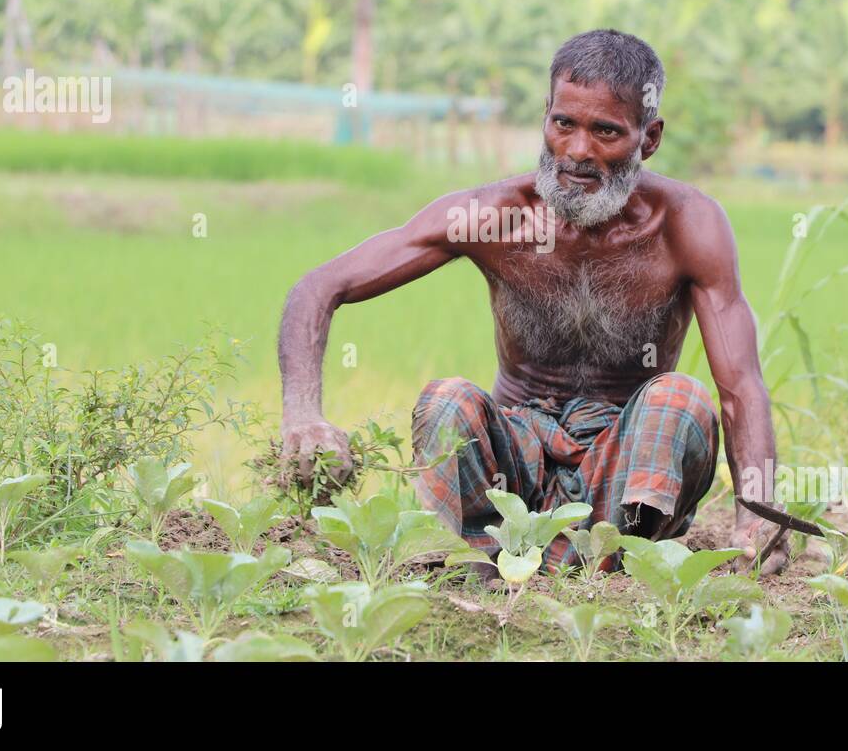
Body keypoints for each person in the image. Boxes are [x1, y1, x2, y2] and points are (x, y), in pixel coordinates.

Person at [277, 29, 788, 574]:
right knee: (448, 401)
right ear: (545, 114)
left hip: (624, 471)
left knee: (682, 400)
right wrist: (303, 415)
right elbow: (318, 288)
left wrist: (758, 506)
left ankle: (607, 563)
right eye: (563, 123)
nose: (577, 151)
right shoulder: (493, 217)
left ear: (650, 137)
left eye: (606, 132)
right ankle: (481, 558)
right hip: (514, 466)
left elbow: (740, 387)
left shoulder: (688, 225)